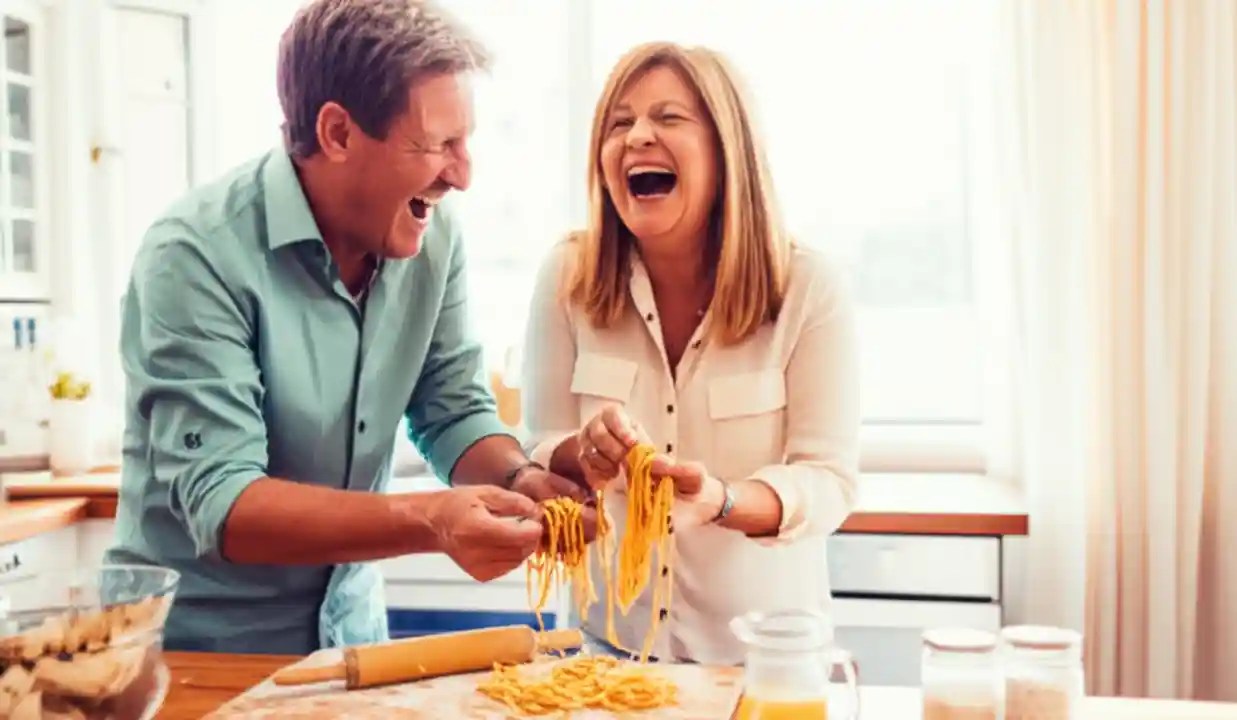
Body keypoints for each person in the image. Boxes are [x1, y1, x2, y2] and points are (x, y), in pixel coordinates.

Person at [104, 0, 592, 655]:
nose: (463, 174)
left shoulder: (432, 235)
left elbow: (452, 409)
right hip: (197, 652)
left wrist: (517, 478)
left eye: (466, 141)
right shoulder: (194, 256)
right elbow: (226, 504)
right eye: (440, 144)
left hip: (352, 640)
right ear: (337, 132)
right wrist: (432, 521)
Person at [521, 41, 860, 665]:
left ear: (728, 149)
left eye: (669, 118)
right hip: (605, 655)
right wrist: (581, 453)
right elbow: (540, 441)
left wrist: (722, 502)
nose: (637, 136)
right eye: (619, 124)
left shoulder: (809, 287)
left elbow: (829, 479)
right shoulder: (566, 274)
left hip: (764, 662)